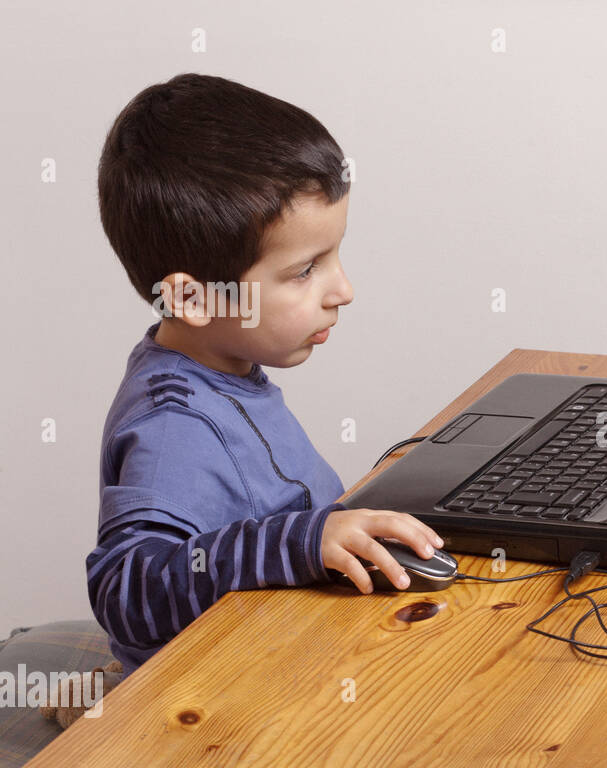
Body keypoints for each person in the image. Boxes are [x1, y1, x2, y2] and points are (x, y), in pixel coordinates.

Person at [82, 72, 441, 697]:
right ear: (192, 298)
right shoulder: (174, 428)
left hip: (280, 652)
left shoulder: (224, 368)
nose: (343, 290)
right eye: (304, 270)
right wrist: (302, 541)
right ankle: (95, 698)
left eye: (333, 256)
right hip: (201, 707)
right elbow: (127, 591)